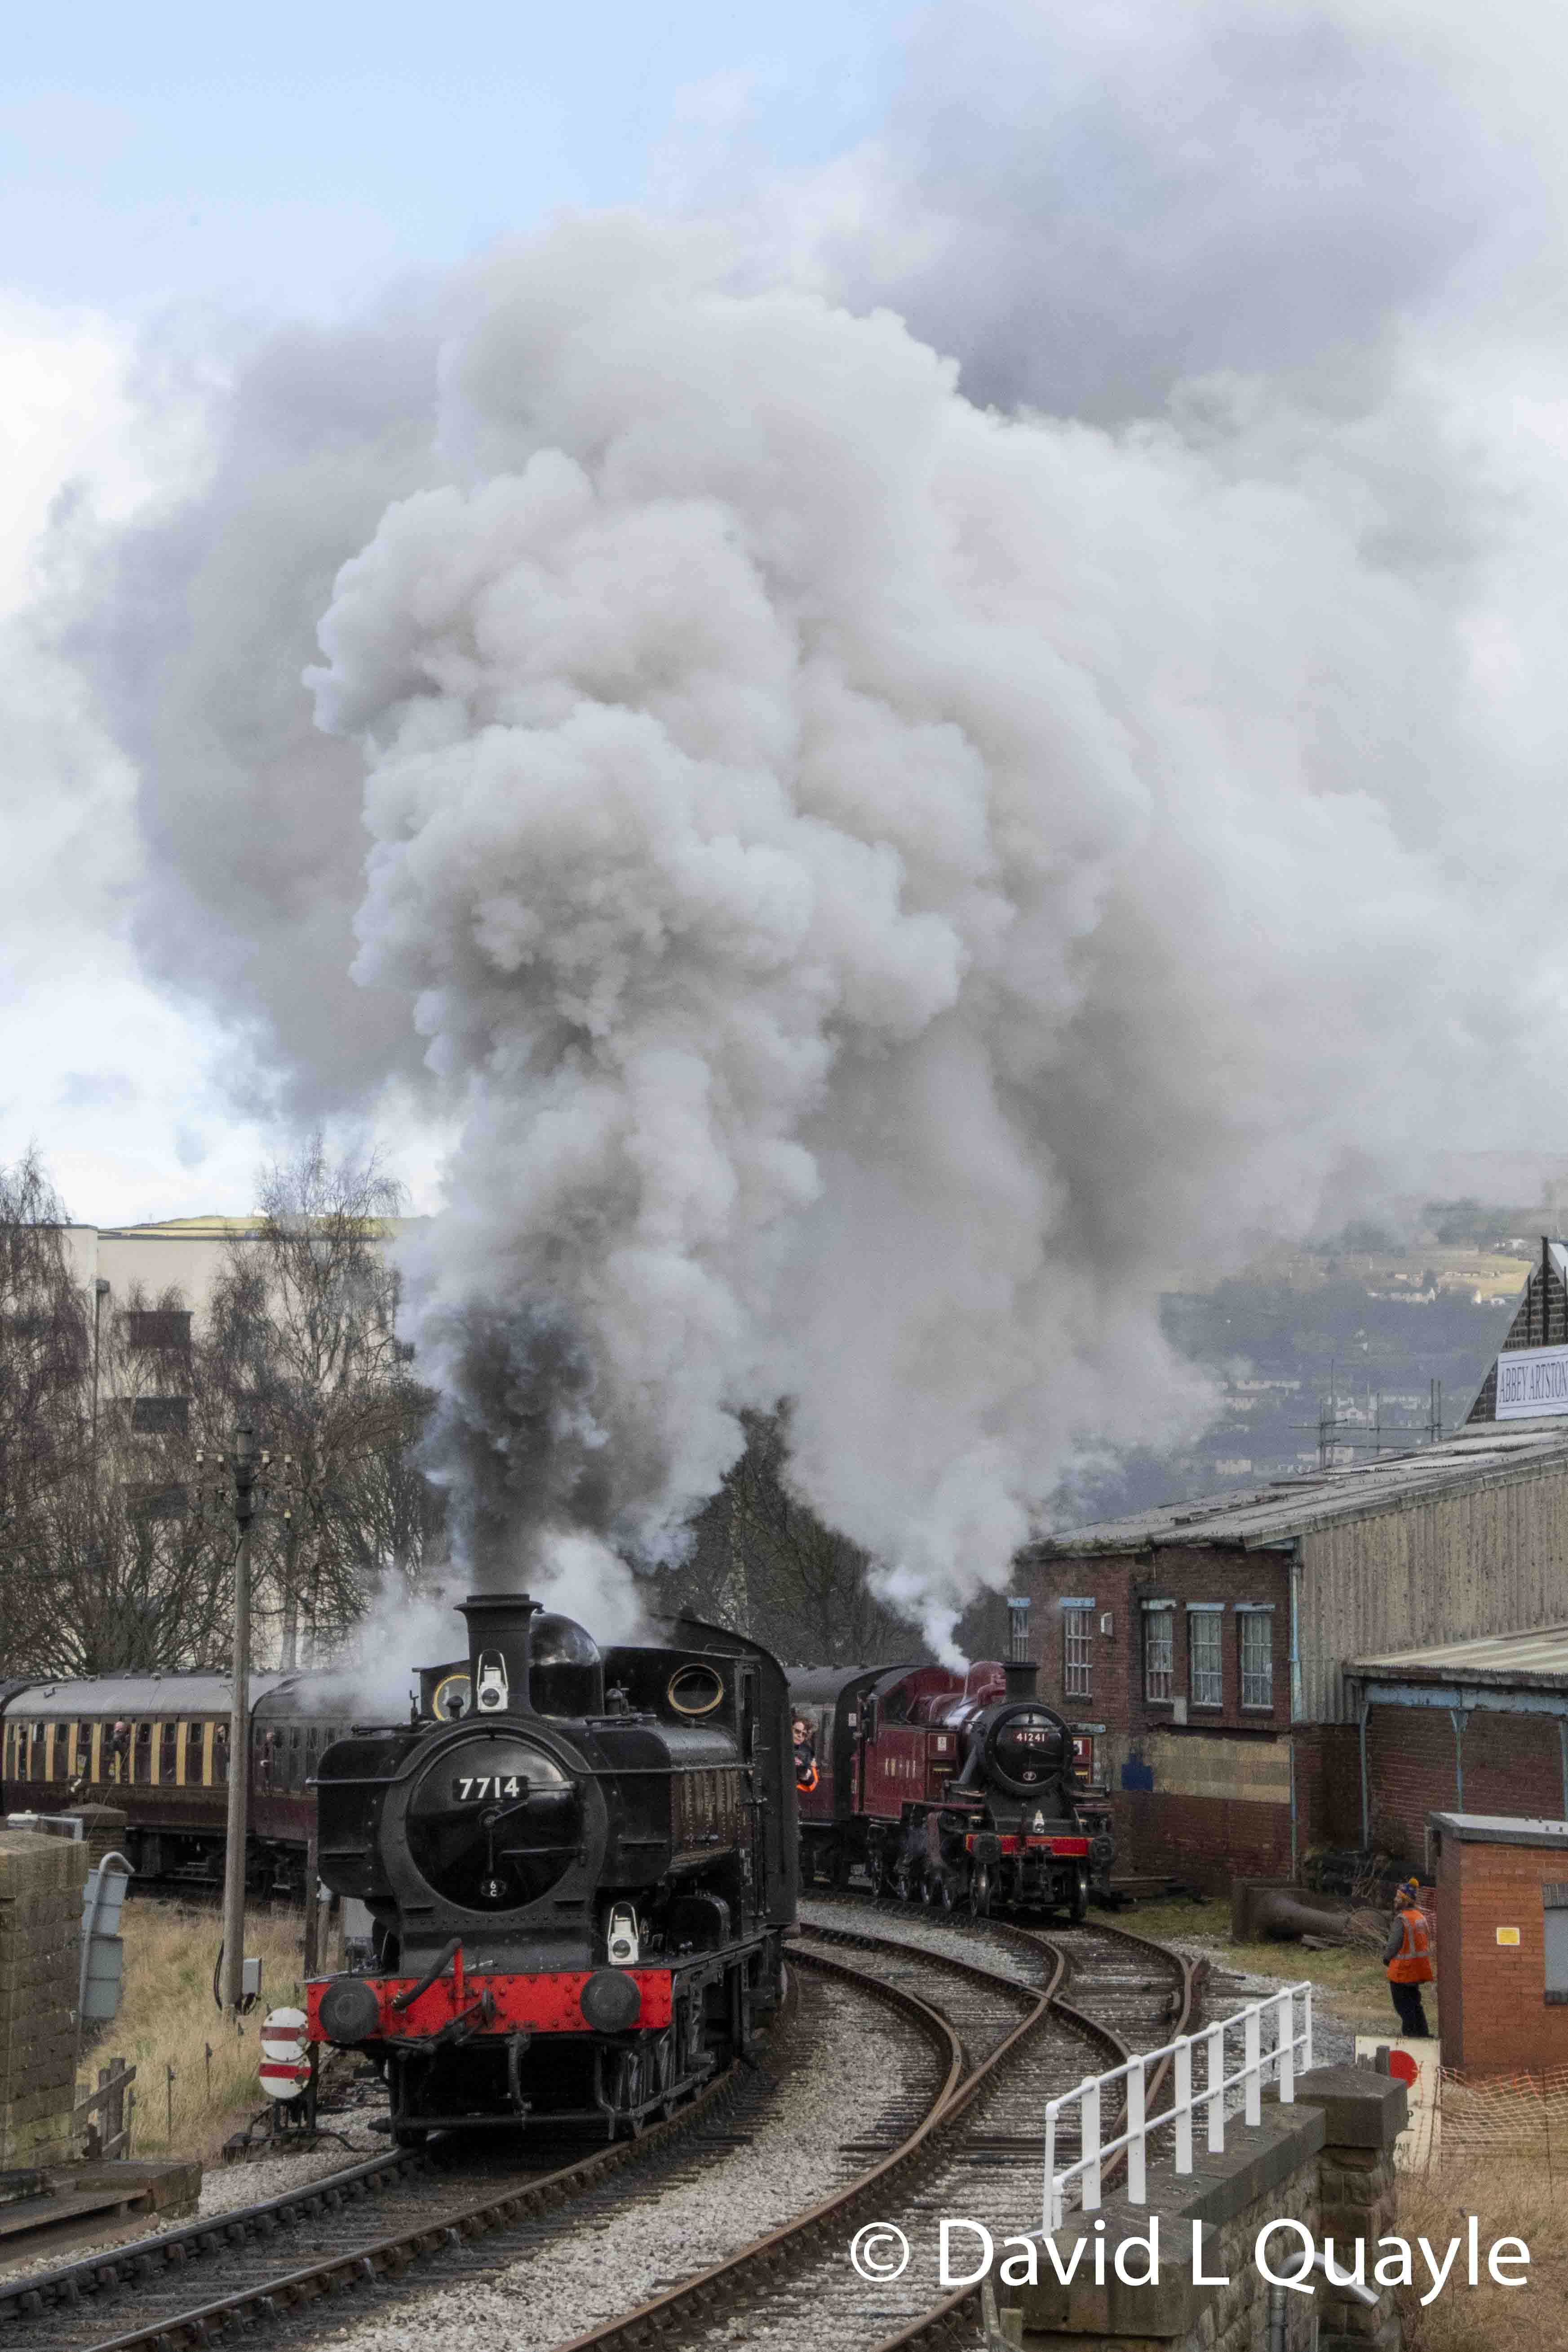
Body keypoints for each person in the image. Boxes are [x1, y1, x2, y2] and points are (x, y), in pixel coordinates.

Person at [1384, 1879, 1435, 2037]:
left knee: (1404, 2007)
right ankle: (1423, 2035)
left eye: (1398, 1898)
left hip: (1403, 1972)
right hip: (1418, 1971)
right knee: (1415, 2005)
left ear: (1406, 1901)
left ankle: (1411, 2037)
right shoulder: (1420, 1918)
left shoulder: (1402, 1920)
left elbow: (1393, 1946)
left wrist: (1386, 1958)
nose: (1395, 1900)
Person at [793, 1717, 818, 1796]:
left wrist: (808, 1775)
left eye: (804, 1734)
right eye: (797, 1731)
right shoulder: (778, 1747)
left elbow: (812, 1786)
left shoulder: (807, 1753)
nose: (800, 1736)